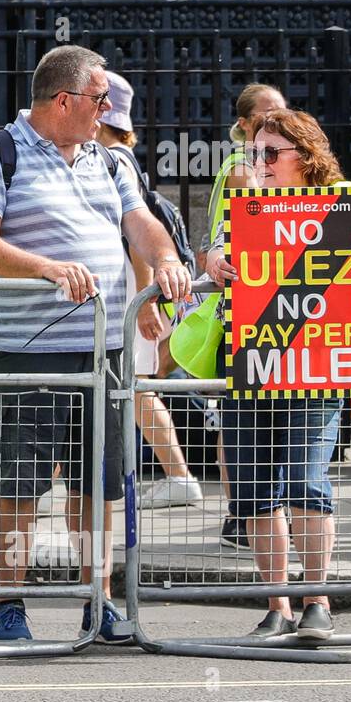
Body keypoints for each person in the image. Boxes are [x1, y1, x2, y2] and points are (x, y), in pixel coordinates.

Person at [0, 45, 193, 643]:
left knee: (99, 486)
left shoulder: (109, 161)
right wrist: (47, 267)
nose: (107, 109)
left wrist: (164, 259)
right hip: (24, 353)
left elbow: (138, 222)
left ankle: (99, 600)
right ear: (64, 100)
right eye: (99, 99)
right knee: (19, 487)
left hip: (104, 352)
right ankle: (9, 605)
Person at [206, 108, 351, 638]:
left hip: (316, 363)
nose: (259, 162)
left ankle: (317, 601)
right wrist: (214, 262)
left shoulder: (342, 205)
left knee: (308, 484)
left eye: (271, 153)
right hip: (254, 359)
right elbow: (218, 250)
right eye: (254, 152)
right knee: (256, 491)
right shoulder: (244, 208)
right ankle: (278, 607)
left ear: (305, 156)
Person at [97, 72, 202, 509]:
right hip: (126, 292)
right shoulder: (122, 157)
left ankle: (178, 475)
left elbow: (133, 237)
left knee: (131, 386)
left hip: (125, 293)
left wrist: (144, 301)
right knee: (120, 385)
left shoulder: (113, 160)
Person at [208, 83, 288, 549]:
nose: (275, 123)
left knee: (243, 416)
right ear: (242, 126)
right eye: (265, 117)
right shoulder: (244, 168)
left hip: (262, 301)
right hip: (249, 304)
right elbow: (260, 222)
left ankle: (248, 514)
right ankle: (246, 514)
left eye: (283, 114)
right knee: (246, 416)